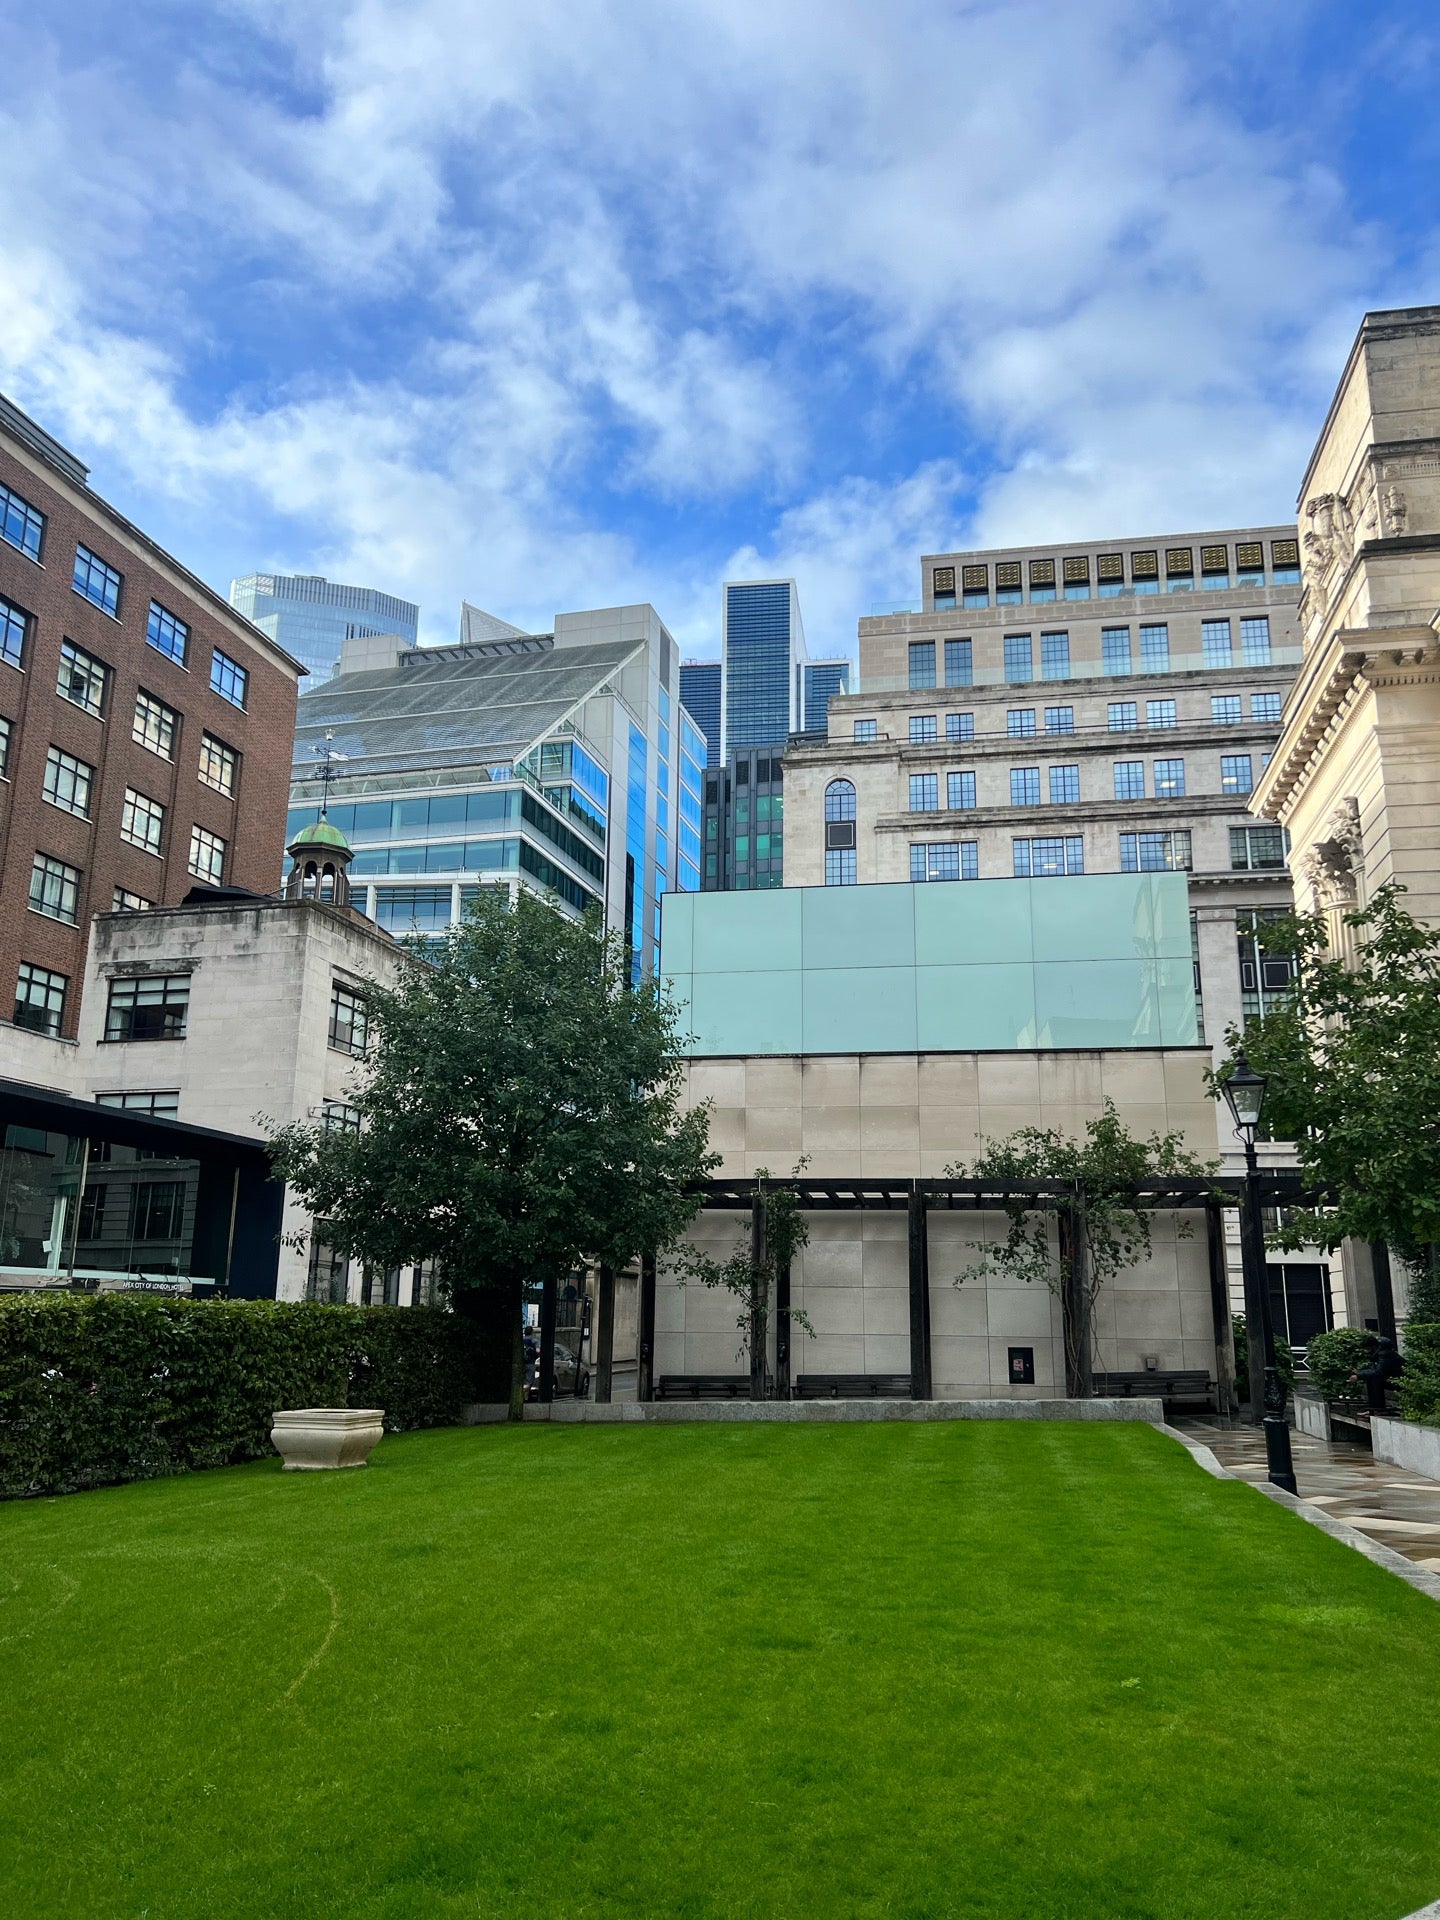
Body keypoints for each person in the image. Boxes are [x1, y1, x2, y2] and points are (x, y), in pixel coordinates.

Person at [1354, 1334, 1404, 1411]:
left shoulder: (1384, 1354)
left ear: (1373, 1347)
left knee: (1375, 1379)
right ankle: (1373, 1408)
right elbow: (1373, 1370)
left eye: (1367, 1349)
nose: (1366, 1351)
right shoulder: (1378, 1354)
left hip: (1400, 1381)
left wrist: (1359, 1376)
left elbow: (1379, 1372)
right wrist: (1359, 1373)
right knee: (1371, 1378)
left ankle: (1378, 1409)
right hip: (1393, 1378)